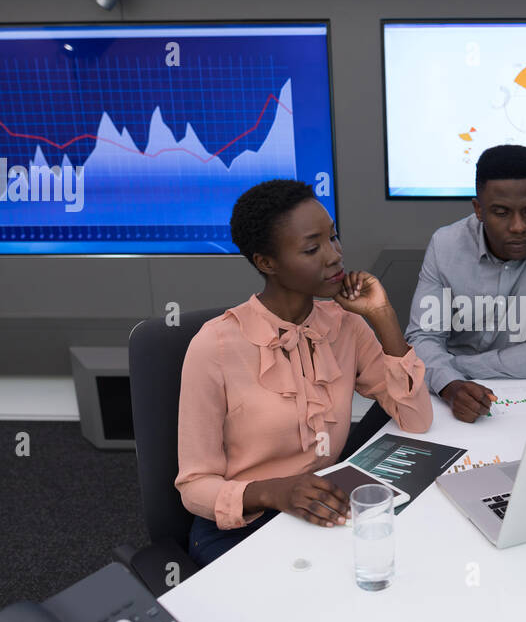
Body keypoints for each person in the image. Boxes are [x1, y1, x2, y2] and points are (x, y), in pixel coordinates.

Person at [176, 179, 433, 565]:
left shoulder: (345, 323)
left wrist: (383, 318)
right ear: (266, 262)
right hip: (247, 524)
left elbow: (417, 420)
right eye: (313, 248)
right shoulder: (214, 346)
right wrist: (273, 491)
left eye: (334, 238)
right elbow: (194, 488)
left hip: (323, 507)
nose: (334, 256)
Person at [405, 144, 526, 423]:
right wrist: (450, 386)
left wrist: (451, 369)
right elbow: (424, 337)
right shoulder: (445, 244)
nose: (519, 226)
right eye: (502, 212)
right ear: (478, 210)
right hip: (450, 397)